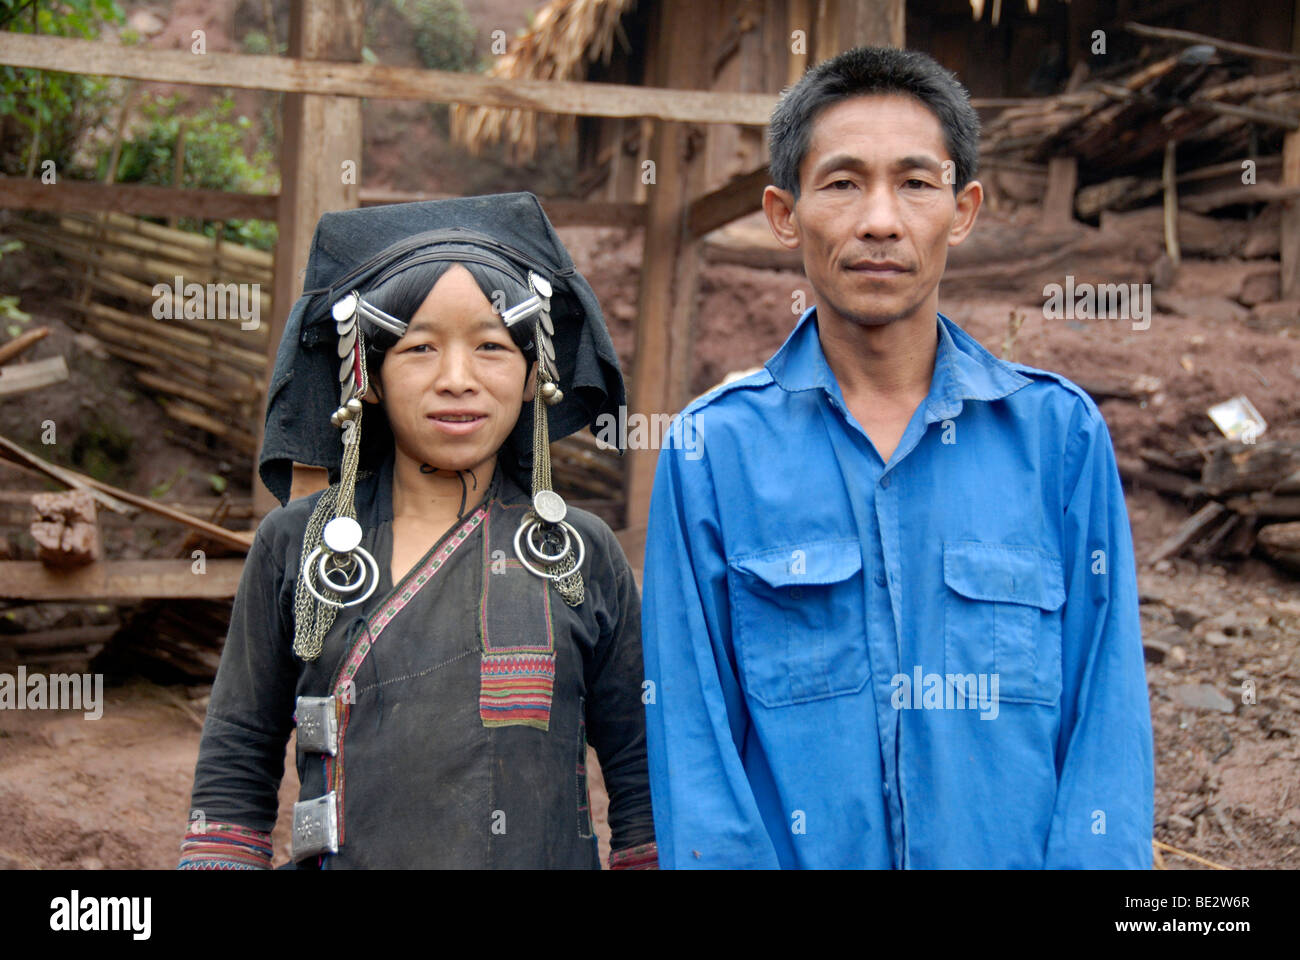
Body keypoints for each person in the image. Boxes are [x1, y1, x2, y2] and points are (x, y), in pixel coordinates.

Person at [640, 47, 1153, 868]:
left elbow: (1108, 727)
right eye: (842, 183)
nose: (880, 219)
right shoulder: (713, 452)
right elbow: (694, 748)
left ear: (963, 209)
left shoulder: (1060, 439)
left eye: (916, 183)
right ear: (783, 212)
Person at [180, 193, 657, 869]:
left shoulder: (580, 555)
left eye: (492, 347)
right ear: (366, 378)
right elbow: (238, 755)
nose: (456, 380)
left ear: (533, 375)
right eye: (420, 348)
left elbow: (640, 771)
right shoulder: (296, 546)